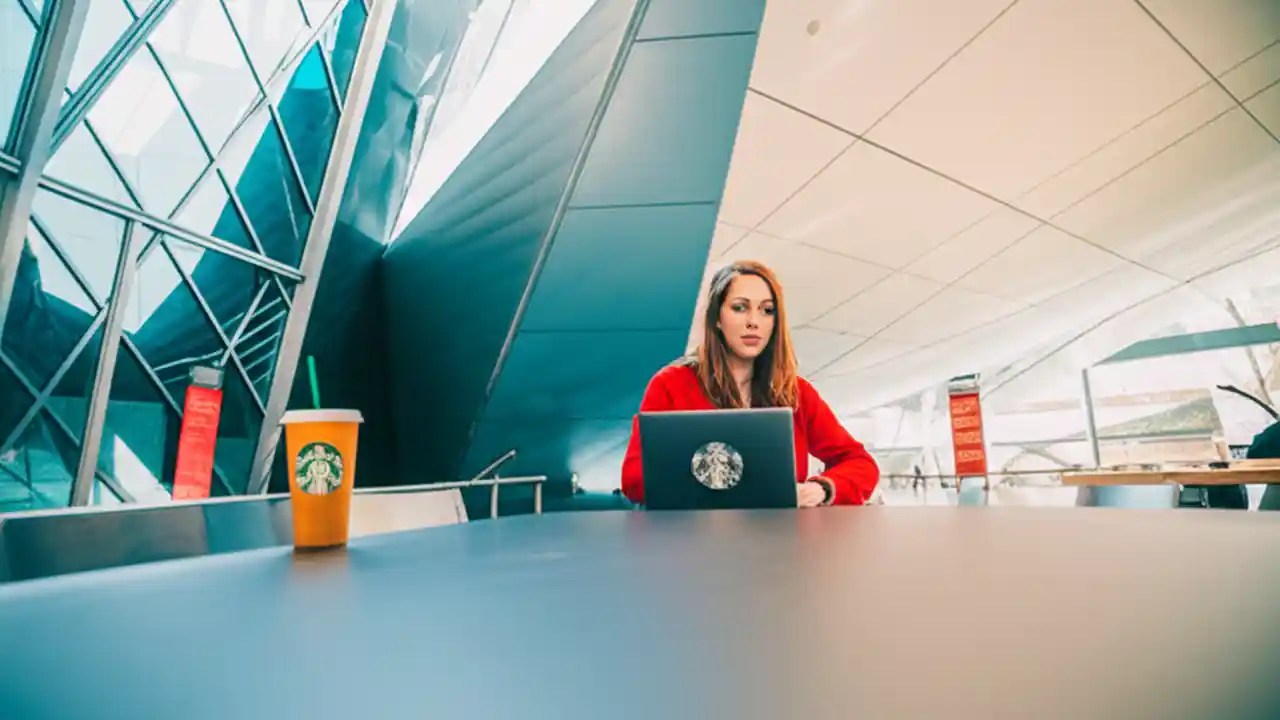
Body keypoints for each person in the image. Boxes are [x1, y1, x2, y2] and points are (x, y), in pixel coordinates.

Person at [621, 260, 880, 507]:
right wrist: (716, 479)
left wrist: (821, 489)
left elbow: (860, 463)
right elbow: (634, 480)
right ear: (717, 318)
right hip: (694, 541)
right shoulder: (670, 385)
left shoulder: (796, 392)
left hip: (776, 540)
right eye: (740, 307)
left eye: (767, 310)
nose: (753, 321)